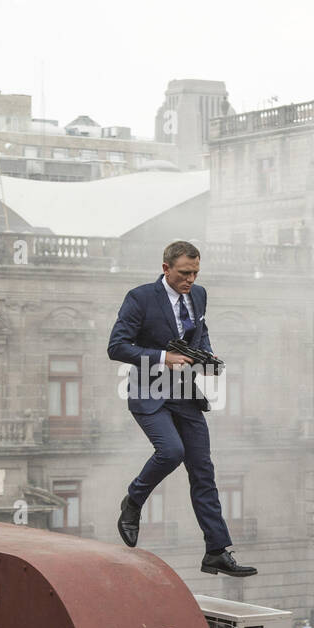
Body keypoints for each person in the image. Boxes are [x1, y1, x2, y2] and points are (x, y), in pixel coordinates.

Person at [108, 241, 257, 577]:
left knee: (203, 470)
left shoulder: (199, 295)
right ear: (166, 269)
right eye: (184, 273)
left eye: (195, 273)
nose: (191, 279)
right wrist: (164, 357)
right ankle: (133, 502)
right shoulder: (140, 297)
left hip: (185, 393)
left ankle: (216, 551)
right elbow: (116, 346)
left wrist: (207, 355)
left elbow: (199, 332)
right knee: (171, 451)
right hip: (149, 391)